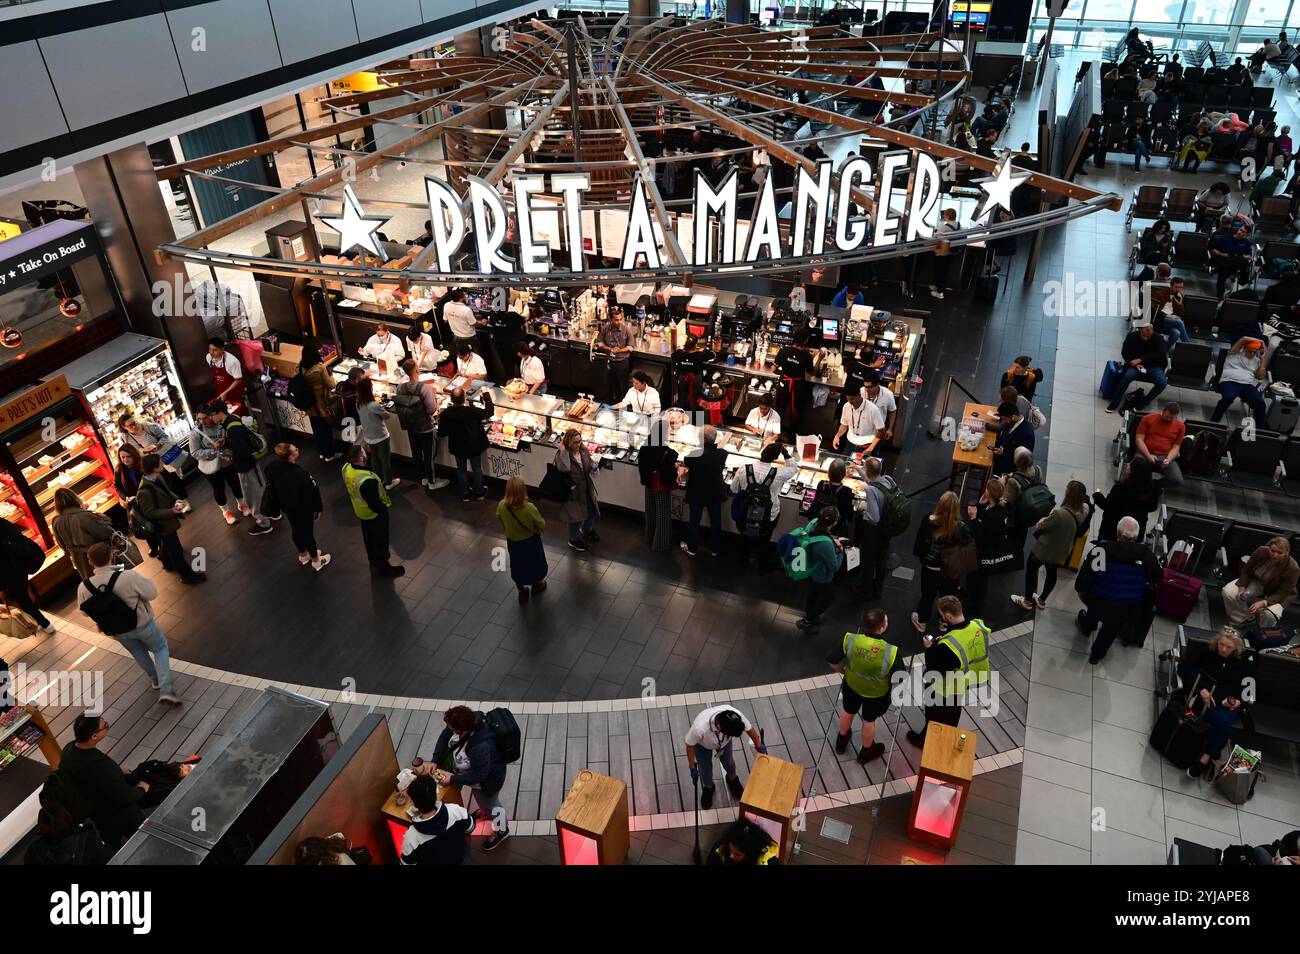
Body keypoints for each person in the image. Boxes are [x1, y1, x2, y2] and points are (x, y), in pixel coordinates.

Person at [79, 541, 179, 703]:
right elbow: (151, 593)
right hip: (142, 623)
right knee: (160, 648)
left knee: (137, 652)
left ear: (90, 562)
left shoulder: (83, 587)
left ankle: (155, 679)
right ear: (112, 556)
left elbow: (84, 612)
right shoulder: (128, 576)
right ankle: (166, 688)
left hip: (116, 630)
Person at [905, 595, 991, 747]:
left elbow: (935, 666)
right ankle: (948, 733)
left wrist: (930, 648)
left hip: (942, 688)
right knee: (953, 712)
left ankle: (925, 741)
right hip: (962, 683)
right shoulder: (978, 625)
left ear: (949, 616)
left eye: (942, 615)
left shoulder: (947, 647)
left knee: (934, 716)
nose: (941, 617)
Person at [422, 705, 510, 851]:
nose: (448, 729)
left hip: (487, 782)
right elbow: (444, 736)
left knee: (493, 805)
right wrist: (436, 759)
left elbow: (480, 775)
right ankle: (485, 811)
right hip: (475, 777)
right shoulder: (470, 720)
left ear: (460, 730)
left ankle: (502, 829)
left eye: (450, 727)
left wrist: (453, 779)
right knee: (485, 803)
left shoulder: (480, 747)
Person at [1076, 516, 1161, 664]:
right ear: (1136, 536)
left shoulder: (1103, 550)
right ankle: (1096, 656)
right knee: (1111, 629)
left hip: (1098, 600)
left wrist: (1081, 590)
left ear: (1118, 533)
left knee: (1094, 609)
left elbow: (1087, 574)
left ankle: (1088, 626)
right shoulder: (1146, 555)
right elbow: (1158, 577)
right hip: (1126, 605)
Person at [58, 714, 148, 850]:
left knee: (110, 840)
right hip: (118, 812)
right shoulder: (99, 764)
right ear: (94, 736)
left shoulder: (69, 749)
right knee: (141, 837)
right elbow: (123, 795)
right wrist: (141, 789)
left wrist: (116, 772)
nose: (107, 725)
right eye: (105, 726)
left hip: (96, 812)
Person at [830, 608, 905, 764]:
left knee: (848, 711)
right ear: (883, 626)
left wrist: (844, 671)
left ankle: (841, 741)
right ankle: (866, 752)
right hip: (876, 695)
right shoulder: (891, 651)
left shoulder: (850, 639)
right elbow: (900, 677)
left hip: (851, 686)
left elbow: (832, 660)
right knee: (868, 721)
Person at [1179, 629, 1250, 782]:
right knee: (1223, 724)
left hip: (1228, 704)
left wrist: (1240, 701)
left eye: (1228, 647)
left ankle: (1204, 759)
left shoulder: (1242, 662)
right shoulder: (1206, 652)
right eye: (1221, 644)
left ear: (1236, 649)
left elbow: (1249, 687)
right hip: (1205, 701)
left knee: (1223, 721)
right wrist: (1201, 689)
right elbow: (1186, 669)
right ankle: (1208, 759)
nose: (1223, 649)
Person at [1012, 480, 1089, 612]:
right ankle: (1041, 600)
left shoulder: (1060, 514)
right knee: (1052, 573)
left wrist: (1042, 520)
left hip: (1044, 550)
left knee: (1031, 570)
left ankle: (1027, 601)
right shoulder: (1085, 510)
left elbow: (1041, 525)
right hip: (1061, 550)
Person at [136, 454, 206, 584]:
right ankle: (186, 575)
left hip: (168, 521)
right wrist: (171, 511)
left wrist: (176, 499)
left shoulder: (158, 477)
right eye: (160, 463)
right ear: (154, 468)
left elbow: (167, 491)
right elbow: (149, 513)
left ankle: (167, 563)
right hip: (163, 524)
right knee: (175, 550)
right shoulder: (144, 491)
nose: (163, 463)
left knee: (171, 545)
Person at [207, 404, 274, 536]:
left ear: (220, 413)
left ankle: (264, 523)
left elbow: (242, 451)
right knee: (260, 490)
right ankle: (271, 513)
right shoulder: (233, 419)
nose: (211, 418)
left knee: (252, 496)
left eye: (212, 415)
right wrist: (225, 443)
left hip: (246, 467)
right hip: (251, 465)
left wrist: (230, 458)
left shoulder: (232, 430)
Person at [731, 442, 798, 572]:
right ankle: (762, 566)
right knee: (764, 540)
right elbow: (794, 468)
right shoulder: (779, 474)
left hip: (745, 513)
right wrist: (785, 453)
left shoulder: (744, 468)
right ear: (775, 458)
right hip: (769, 515)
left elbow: (734, 489)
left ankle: (742, 561)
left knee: (744, 536)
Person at [684, 704, 766, 809]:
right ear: (718, 727)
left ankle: (732, 779)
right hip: (702, 745)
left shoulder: (736, 715)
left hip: (725, 743)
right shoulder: (699, 729)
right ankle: (708, 787)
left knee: (730, 763)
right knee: (705, 769)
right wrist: (692, 767)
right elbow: (690, 745)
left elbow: (749, 729)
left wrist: (758, 744)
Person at [264, 443, 330, 572]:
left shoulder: (272, 467)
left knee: (295, 529)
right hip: (302, 509)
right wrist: (318, 508)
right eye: (295, 449)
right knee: (308, 533)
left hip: (287, 506)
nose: (298, 449)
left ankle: (303, 555)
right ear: (291, 455)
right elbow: (313, 492)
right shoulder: (300, 474)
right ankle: (316, 561)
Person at [912, 491, 971, 632]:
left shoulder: (928, 520)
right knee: (947, 597)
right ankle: (944, 622)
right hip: (950, 571)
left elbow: (919, 545)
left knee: (927, 595)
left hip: (930, 568)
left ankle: (922, 621)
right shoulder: (961, 528)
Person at [342, 442, 403, 577]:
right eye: (364, 453)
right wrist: (383, 509)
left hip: (359, 511)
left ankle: (373, 559)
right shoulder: (368, 481)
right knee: (380, 541)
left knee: (368, 537)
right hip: (374, 514)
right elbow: (374, 503)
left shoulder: (346, 468)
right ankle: (384, 568)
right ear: (362, 458)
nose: (366, 453)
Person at [117, 414, 190, 511]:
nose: (134, 426)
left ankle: (185, 502)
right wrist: (144, 451)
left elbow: (164, 436)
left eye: (134, 422)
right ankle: (175, 505)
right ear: (124, 427)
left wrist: (158, 445)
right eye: (130, 425)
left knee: (173, 479)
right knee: (162, 484)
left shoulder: (148, 426)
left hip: (161, 458)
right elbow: (130, 451)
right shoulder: (125, 437)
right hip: (147, 464)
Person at [188, 406, 246, 525]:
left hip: (227, 462)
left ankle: (242, 504)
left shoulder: (222, 426)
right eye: (199, 419)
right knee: (219, 489)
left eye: (205, 418)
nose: (202, 422)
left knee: (235, 483)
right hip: (210, 467)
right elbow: (194, 452)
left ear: (212, 416)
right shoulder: (196, 433)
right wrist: (213, 451)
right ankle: (226, 512)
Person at [1222, 537, 1298, 628]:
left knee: (1269, 615)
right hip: (1258, 581)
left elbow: (1282, 593)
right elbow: (1247, 569)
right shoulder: (1261, 551)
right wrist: (1242, 587)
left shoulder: (1293, 568)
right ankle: (1243, 619)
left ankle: (1261, 632)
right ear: (1268, 548)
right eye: (1272, 551)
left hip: (1279, 592)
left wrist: (1264, 602)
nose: (1275, 555)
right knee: (1229, 592)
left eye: (1279, 553)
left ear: (1287, 552)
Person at [400, 774, 474, 865]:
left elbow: (407, 863)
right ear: (436, 795)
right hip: (459, 859)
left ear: (414, 805)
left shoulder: (411, 837)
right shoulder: (455, 810)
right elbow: (470, 827)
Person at [496, 476, 547, 604]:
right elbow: (541, 524)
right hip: (530, 542)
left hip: (513, 542)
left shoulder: (502, 505)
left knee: (517, 564)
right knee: (534, 563)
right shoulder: (529, 508)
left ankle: (522, 591)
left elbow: (500, 518)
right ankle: (537, 585)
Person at [963, 476, 1010, 615]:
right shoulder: (995, 507)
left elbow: (982, 536)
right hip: (983, 550)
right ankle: (969, 590)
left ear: (990, 493)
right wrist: (981, 504)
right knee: (973, 576)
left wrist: (973, 518)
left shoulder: (995, 516)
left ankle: (974, 606)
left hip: (984, 553)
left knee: (979, 580)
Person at [796, 506, 847, 631]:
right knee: (829, 598)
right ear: (834, 522)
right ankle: (810, 618)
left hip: (811, 568)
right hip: (822, 575)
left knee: (813, 593)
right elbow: (834, 566)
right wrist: (840, 550)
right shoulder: (825, 544)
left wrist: (834, 539)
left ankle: (809, 615)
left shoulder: (813, 523)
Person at [0, 520, 55, 635]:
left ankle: (44, 624)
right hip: (19, 564)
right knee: (22, 596)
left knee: (22, 599)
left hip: (6, 572)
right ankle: (38, 621)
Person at [438, 387, 491, 502]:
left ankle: (465, 494)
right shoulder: (472, 411)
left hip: (457, 447)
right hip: (473, 446)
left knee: (461, 469)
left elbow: (441, 432)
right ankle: (479, 492)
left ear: (451, 399)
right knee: (476, 468)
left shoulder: (446, 413)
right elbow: (489, 412)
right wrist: (486, 394)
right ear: (464, 398)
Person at [50, 488, 114, 582]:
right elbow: (106, 533)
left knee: (92, 585)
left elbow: (62, 545)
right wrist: (105, 520)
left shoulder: (56, 522)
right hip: (98, 556)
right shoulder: (84, 516)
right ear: (74, 498)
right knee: (111, 581)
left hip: (78, 560)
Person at [1095, 455, 1161, 542]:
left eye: (1131, 465)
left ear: (1135, 472)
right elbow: (1153, 507)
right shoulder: (1152, 489)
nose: (1127, 465)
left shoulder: (1120, 488)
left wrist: (1097, 495)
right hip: (1135, 531)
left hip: (1113, 530)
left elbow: (1107, 506)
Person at [1106, 322, 1169, 413]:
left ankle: (1144, 402)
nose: (1145, 338)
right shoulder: (1132, 336)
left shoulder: (1159, 339)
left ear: (1152, 332)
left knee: (1162, 383)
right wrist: (1134, 364)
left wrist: (1140, 360)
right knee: (1127, 377)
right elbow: (1125, 352)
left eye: (1148, 336)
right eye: (1143, 335)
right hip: (1135, 365)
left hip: (1154, 365)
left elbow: (1159, 354)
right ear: (1140, 330)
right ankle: (1116, 401)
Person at [555, 429, 599, 551]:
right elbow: (564, 468)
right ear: (568, 442)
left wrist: (594, 468)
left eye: (579, 441)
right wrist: (563, 451)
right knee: (575, 517)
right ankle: (574, 539)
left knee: (592, 512)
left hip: (586, 488)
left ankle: (587, 529)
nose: (578, 444)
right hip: (572, 492)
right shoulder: (562, 454)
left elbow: (589, 464)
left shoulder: (583, 451)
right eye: (575, 442)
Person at [1210, 336, 1269, 426]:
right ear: (1244, 348)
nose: (1252, 354)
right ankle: (1213, 423)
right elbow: (1244, 338)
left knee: (1260, 403)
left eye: (1254, 352)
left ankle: (1260, 431)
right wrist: (1261, 341)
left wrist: (1263, 360)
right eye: (1250, 351)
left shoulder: (1257, 361)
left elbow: (1260, 377)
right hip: (1229, 381)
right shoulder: (1234, 353)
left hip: (1246, 385)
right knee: (1228, 398)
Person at [774, 327, 822, 436]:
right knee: (796, 413)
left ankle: (776, 434)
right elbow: (812, 373)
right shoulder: (806, 356)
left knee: (779, 410)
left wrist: (782, 375)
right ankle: (792, 437)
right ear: (805, 340)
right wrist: (819, 358)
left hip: (783, 384)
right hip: (798, 387)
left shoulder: (783, 351)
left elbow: (773, 369)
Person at [298, 345, 339, 462]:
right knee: (325, 428)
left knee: (316, 429)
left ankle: (321, 452)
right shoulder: (319, 368)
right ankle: (329, 454)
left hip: (309, 403)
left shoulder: (301, 367)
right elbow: (331, 384)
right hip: (321, 403)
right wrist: (332, 377)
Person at [1135, 402, 1185, 487]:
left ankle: (1151, 485)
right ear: (1163, 411)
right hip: (1145, 453)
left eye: (1172, 418)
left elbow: (1176, 447)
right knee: (1135, 471)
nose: (1169, 419)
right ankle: (1141, 485)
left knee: (1177, 480)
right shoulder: (1148, 419)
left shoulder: (1181, 426)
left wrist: (1168, 459)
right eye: (1167, 416)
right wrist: (1148, 455)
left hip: (1164, 456)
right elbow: (1139, 440)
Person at [1210, 220, 1255, 299]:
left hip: (1236, 264)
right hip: (1225, 260)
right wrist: (1221, 254)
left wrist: (1247, 257)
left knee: (1241, 261)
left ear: (1246, 234)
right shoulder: (1225, 238)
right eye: (1240, 230)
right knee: (1223, 274)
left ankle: (1242, 278)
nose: (1240, 232)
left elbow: (1249, 255)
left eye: (1243, 232)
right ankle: (1220, 295)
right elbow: (1213, 250)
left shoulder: (1246, 242)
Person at [596, 309, 634, 403]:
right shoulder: (605, 328)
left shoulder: (626, 330)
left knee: (622, 387)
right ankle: (609, 407)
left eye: (620, 319)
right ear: (610, 319)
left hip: (622, 362)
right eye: (616, 320)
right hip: (609, 361)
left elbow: (631, 347)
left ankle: (622, 409)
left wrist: (620, 350)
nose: (619, 322)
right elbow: (599, 343)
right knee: (608, 386)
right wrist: (610, 349)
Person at [706, 819, 780, 865]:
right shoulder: (719, 850)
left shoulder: (769, 862)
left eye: (737, 854)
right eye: (729, 849)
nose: (730, 856)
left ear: (750, 855)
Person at [205, 337, 248, 416]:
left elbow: (238, 379)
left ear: (222, 349)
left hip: (235, 393)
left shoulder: (232, 362)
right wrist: (223, 393)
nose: (211, 352)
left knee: (239, 414)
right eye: (210, 349)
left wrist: (226, 392)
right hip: (221, 391)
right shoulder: (209, 358)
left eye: (215, 350)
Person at [833, 389, 885, 454]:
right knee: (846, 463)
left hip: (867, 446)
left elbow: (881, 430)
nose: (850, 402)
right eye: (848, 399)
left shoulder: (873, 409)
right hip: (850, 444)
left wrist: (870, 448)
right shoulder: (846, 406)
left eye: (852, 399)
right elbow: (844, 425)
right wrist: (837, 436)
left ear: (859, 395)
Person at [990, 401, 1034, 477]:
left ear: (1013, 417)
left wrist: (1003, 454)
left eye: (1005, 419)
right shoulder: (1010, 422)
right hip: (998, 463)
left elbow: (1023, 459)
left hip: (1008, 472)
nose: (1003, 422)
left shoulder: (1027, 433)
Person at [929, 207, 960, 299]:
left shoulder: (944, 227)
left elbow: (935, 238)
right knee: (944, 270)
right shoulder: (958, 224)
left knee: (940, 270)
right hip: (953, 252)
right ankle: (938, 286)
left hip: (943, 252)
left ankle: (940, 292)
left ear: (946, 216)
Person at [671, 335, 708, 408]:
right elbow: (713, 355)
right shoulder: (700, 355)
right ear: (695, 345)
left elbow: (673, 356)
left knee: (683, 399)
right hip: (696, 381)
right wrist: (705, 350)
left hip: (682, 380)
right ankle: (697, 419)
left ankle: (684, 417)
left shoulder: (679, 353)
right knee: (696, 401)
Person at [861, 371, 897, 445]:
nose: (867, 390)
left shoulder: (888, 394)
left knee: (873, 453)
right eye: (865, 387)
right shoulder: (860, 392)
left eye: (870, 387)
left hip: (878, 432)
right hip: (862, 430)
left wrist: (890, 429)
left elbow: (892, 411)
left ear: (877, 384)